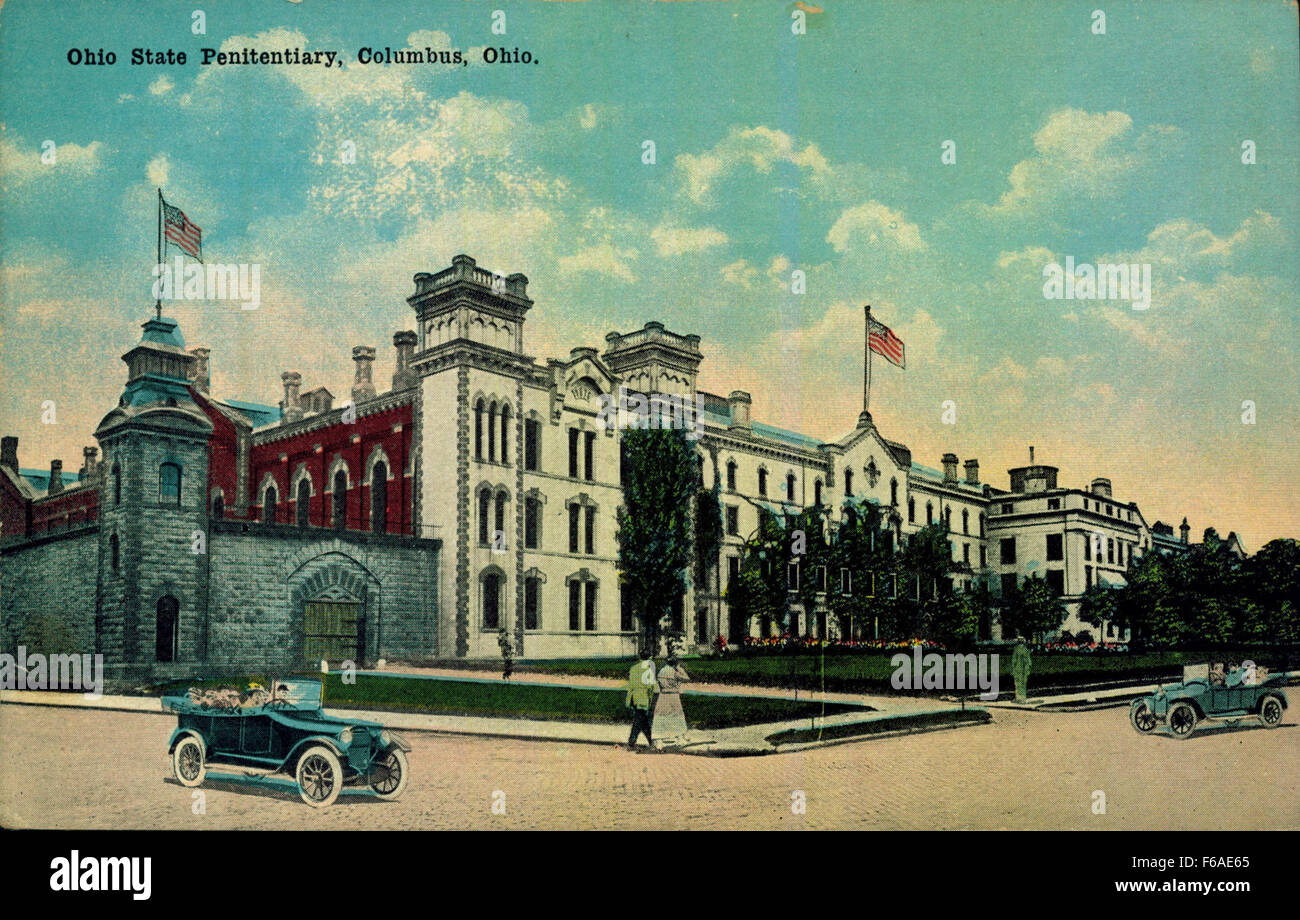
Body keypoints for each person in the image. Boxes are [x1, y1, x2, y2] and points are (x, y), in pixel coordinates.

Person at [625, 648, 660, 751]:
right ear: (649, 658)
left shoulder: (633, 668)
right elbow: (651, 687)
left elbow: (631, 685)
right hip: (644, 698)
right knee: (640, 721)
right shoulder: (649, 669)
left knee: (642, 721)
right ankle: (632, 742)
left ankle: (649, 741)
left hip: (634, 697)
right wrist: (652, 699)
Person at [655, 655, 692, 747]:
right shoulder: (674, 672)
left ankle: (659, 740)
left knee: (660, 717)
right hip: (673, 695)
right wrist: (680, 669)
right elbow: (687, 678)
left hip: (663, 695)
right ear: (675, 663)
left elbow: (659, 684)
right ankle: (679, 739)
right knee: (677, 717)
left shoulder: (661, 671)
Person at [1011, 636, 1031, 703]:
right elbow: (1028, 661)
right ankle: (1023, 698)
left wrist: (1012, 669)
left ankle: (1018, 698)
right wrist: (1028, 669)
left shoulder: (1016, 649)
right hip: (1024, 670)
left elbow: (1014, 660)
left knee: (1017, 684)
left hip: (1017, 669)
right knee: (1023, 684)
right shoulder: (1025, 649)